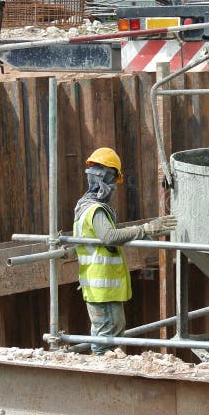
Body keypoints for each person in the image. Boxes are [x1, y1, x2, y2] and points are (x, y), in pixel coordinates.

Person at [73, 147, 177, 355]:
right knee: (105, 339)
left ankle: (106, 377)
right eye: (112, 181)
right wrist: (146, 229)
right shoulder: (95, 210)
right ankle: (103, 379)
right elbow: (110, 237)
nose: (113, 187)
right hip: (101, 286)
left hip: (101, 287)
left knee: (110, 334)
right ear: (106, 178)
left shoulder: (85, 207)